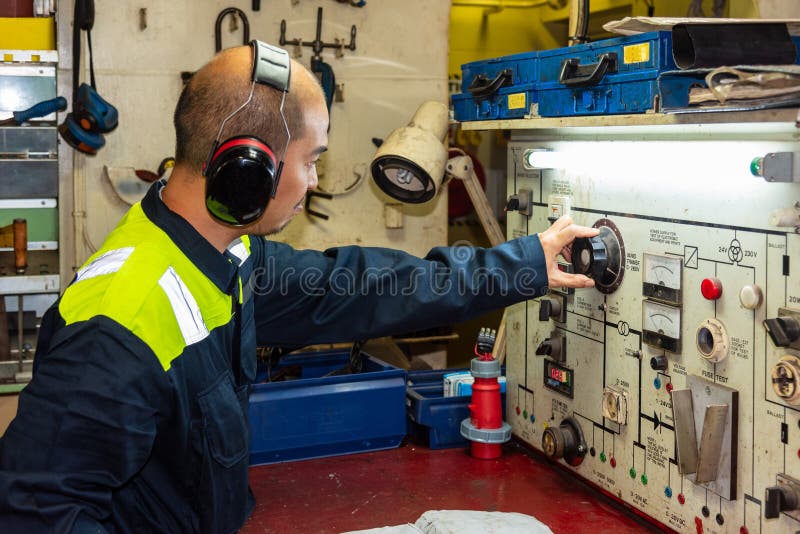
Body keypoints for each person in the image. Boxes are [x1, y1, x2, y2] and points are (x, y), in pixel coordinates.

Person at [0, 42, 598, 533]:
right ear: (247, 168)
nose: (314, 182)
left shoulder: (220, 253)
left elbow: (357, 286)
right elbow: (35, 514)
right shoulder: (119, 321)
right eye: (312, 160)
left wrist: (522, 264)